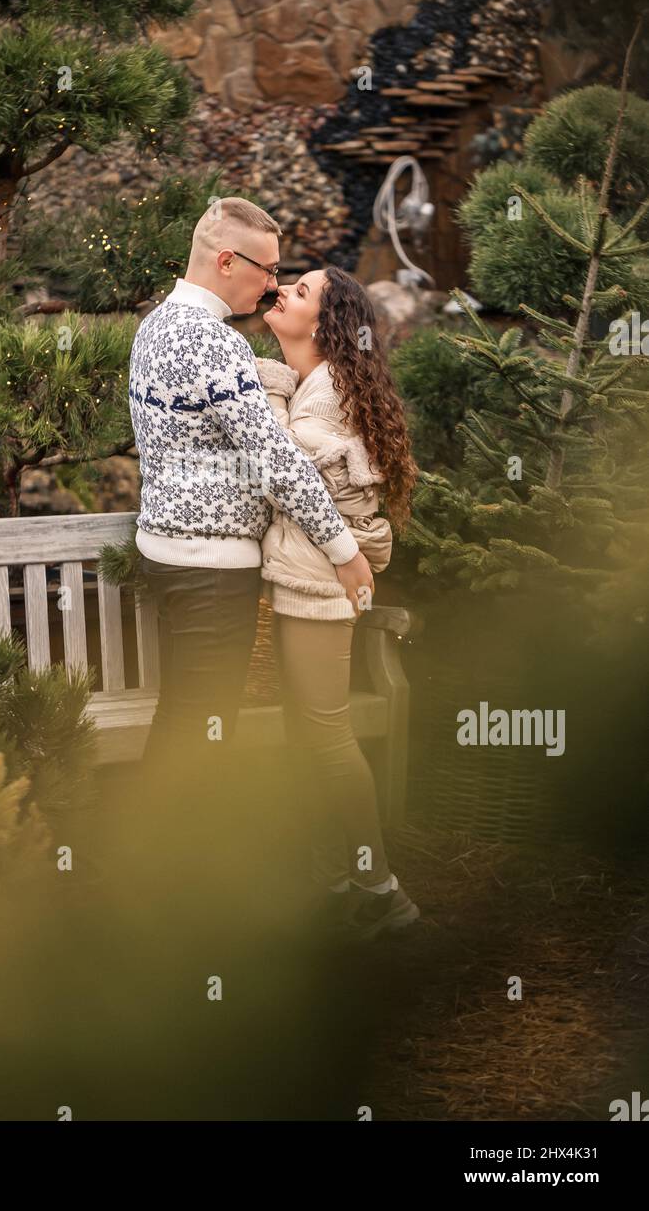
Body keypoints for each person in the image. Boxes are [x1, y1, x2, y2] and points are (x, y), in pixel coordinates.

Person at [128, 199, 375, 796]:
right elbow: (275, 459)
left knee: (184, 720)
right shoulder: (215, 343)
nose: (272, 286)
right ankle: (170, 871)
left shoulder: (156, 326)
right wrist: (345, 550)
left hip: (168, 556)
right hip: (211, 571)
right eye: (267, 269)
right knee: (203, 734)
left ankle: (152, 865)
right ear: (226, 260)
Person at [257, 264, 421, 941]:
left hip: (318, 586)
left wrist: (264, 395)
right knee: (310, 735)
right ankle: (337, 878)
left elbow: (287, 476)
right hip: (308, 581)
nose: (283, 292)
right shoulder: (318, 384)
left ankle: (381, 889)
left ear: (325, 327)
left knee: (326, 734)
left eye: (300, 292)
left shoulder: (321, 397)